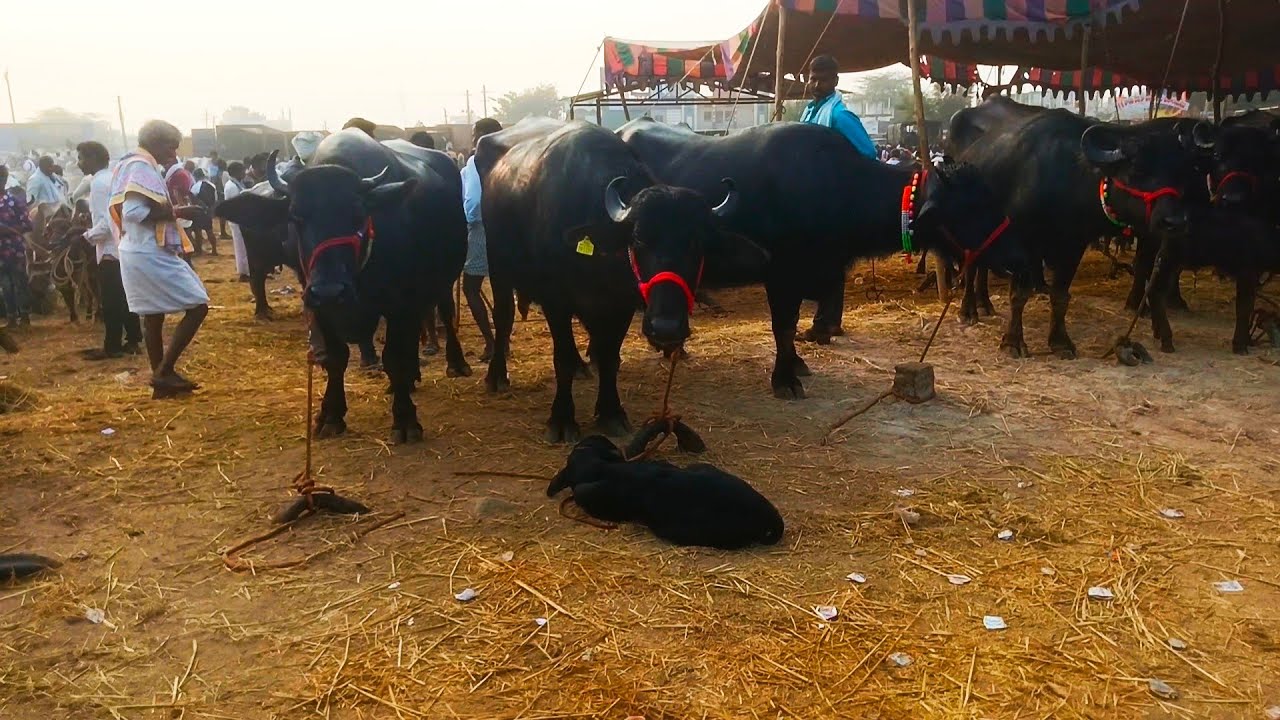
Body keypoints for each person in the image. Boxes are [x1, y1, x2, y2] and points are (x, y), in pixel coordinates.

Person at [109, 119, 209, 398]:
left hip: (134, 249)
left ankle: (161, 386)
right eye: (171, 147)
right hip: (148, 250)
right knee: (198, 305)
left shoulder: (128, 164)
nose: (174, 154)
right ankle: (164, 371)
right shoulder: (141, 166)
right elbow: (133, 213)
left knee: (153, 317)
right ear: (155, 142)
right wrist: (178, 212)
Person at [798, 54, 877, 345]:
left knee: (829, 262)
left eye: (822, 79)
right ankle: (828, 320)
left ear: (835, 81)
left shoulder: (840, 115)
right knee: (821, 262)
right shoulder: (809, 111)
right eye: (812, 78)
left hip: (832, 202)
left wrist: (838, 174)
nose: (816, 83)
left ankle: (826, 324)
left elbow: (868, 154)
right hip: (812, 200)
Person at [78, 141, 142, 359]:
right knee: (123, 297)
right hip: (121, 246)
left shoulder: (97, 184)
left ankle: (113, 346)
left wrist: (85, 237)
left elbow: (106, 223)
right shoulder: (111, 177)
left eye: (82, 158)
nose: (79, 163)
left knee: (112, 301)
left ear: (94, 158)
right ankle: (133, 340)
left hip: (109, 250)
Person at [460, 118, 500, 361]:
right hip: (511, 228)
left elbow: (474, 202)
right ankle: (502, 341)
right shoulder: (511, 157)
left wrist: (470, 223)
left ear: (483, 136)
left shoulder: (476, 162)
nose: (472, 139)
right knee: (502, 287)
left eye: (475, 134)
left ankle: (491, 342)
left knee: (471, 288)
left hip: (482, 228)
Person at [0, 164, 33, 328]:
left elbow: (28, 225)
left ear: (5, 180)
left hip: (15, 249)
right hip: (1, 252)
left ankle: (25, 316)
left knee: (20, 282)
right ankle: (11, 318)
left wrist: (7, 231)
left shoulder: (15, 202)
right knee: (5, 285)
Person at [25, 155, 66, 242]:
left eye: (52, 166)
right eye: (49, 167)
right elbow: (30, 201)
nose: (52, 168)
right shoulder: (35, 179)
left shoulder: (53, 176)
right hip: (45, 217)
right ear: (42, 167)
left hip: (58, 212)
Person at [222, 161, 249, 281]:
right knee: (241, 247)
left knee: (244, 246)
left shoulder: (237, 184)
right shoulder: (231, 186)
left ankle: (247, 271)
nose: (245, 173)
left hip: (241, 219)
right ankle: (244, 273)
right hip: (238, 220)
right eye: (243, 170)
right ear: (236, 172)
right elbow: (235, 205)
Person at [188, 168, 216, 254]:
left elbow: (192, 198)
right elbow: (215, 199)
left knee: (198, 230)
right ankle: (214, 250)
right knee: (209, 230)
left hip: (198, 211)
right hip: (208, 210)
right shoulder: (212, 185)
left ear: (196, 176)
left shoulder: (195, 186)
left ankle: (199, 250)